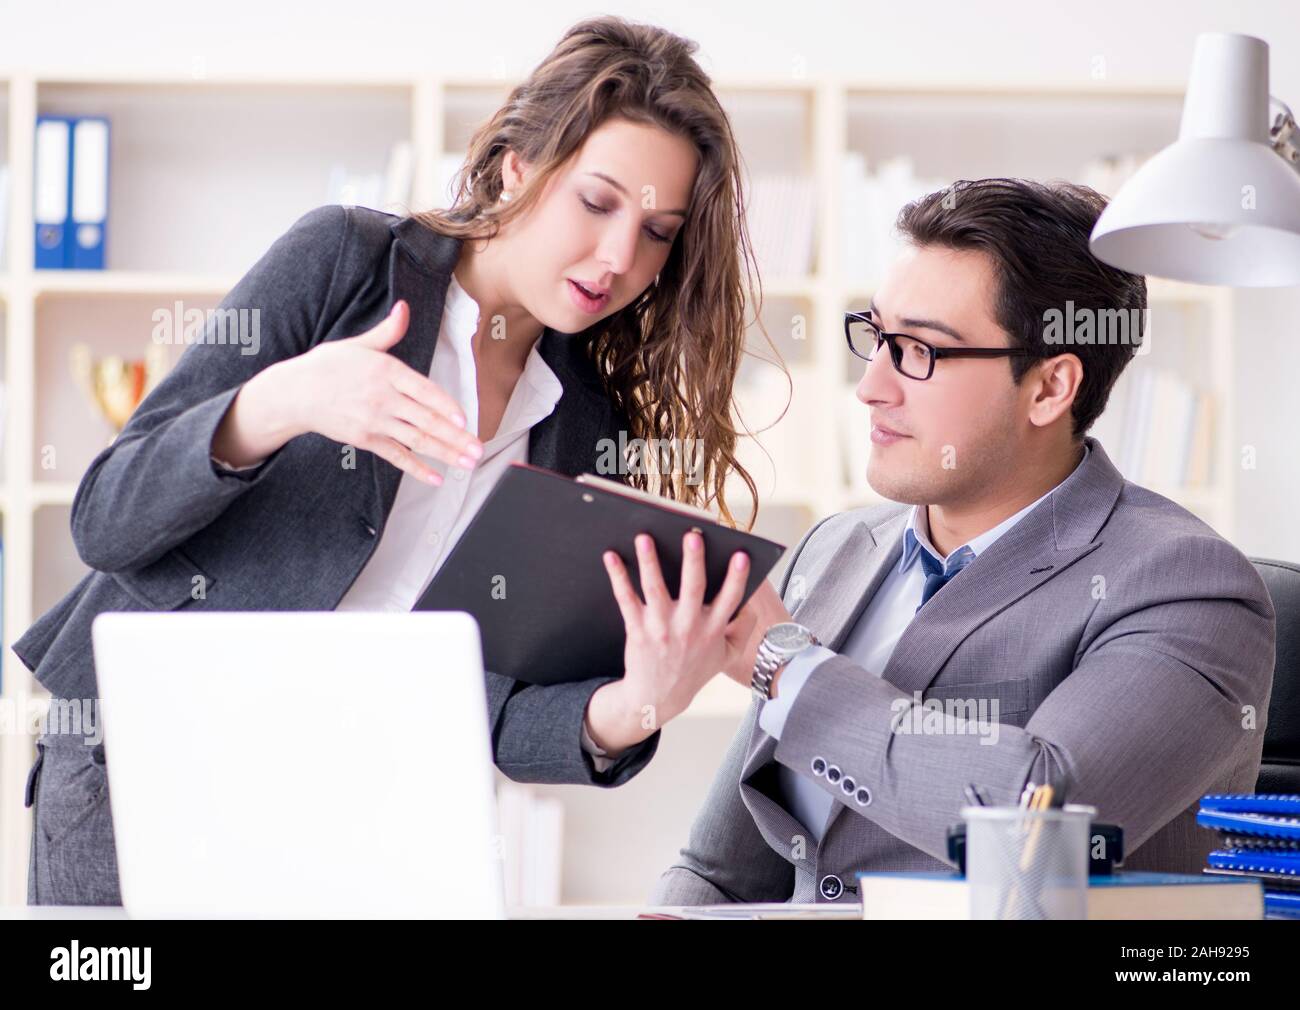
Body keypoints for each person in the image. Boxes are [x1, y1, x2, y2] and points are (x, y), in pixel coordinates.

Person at [17, 15, 766, 906]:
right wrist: (283, 402)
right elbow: (106, 515)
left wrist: (639, 702)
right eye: (597, 202)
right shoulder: (345, 261)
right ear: (516, 167)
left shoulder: (579, 420)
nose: (619, 257)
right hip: (145, 767)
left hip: (349, 804)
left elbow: (490, 707)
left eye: (657, 231)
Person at [638, 178, 1276, 904]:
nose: (871, 386)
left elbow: (1040, 820)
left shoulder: (1188, 585)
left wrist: (788, 668)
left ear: (1049, 388)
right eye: (876, 337)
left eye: (918, 350)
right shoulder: (838, 550)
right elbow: (719, 872)